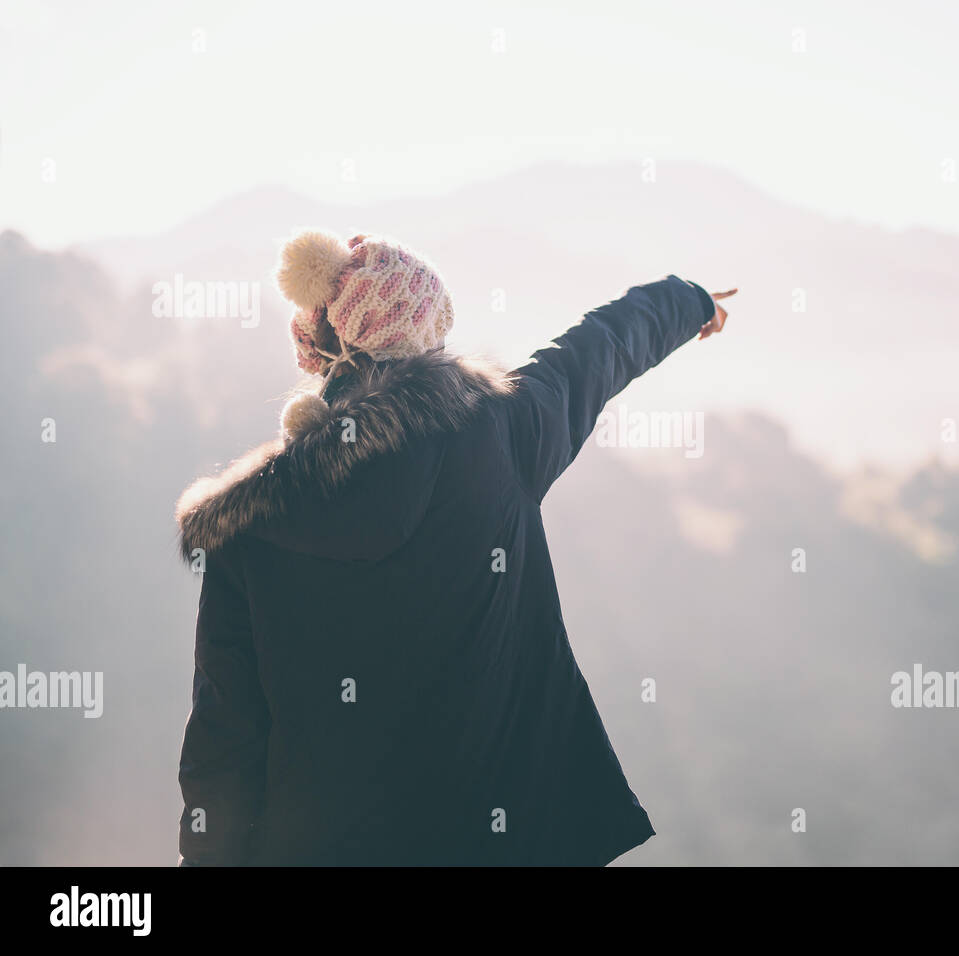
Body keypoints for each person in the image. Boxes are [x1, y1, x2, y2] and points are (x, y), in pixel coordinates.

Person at [174, 229, 735, 865]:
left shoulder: (250, 526)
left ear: (324, 351)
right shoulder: (502, 432)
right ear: (426, 342)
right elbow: (600, 349)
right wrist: (688, 302)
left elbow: (224, 742)